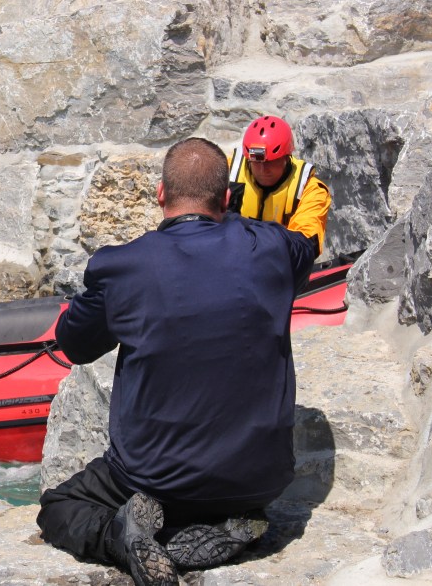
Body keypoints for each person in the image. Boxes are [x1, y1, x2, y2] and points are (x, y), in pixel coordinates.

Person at [36, 138, 317, 585]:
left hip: (156, 481)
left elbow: (76, 346)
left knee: (58, 508)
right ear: (227, 197)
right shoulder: (274, 249)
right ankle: (221, 530)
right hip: (260, 480)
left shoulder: (121, 267)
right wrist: (237, 220)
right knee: (231, 496)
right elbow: (306, 246)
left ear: (160, 195)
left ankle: (121, 536)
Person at [227, 115, 331, 257]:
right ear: (248, 158)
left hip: (279, 266)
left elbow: (305, 247)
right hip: (232, 259)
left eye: (271, 162)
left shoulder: (312, 191)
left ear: (286, 158)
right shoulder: (226, 171)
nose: (264, 170)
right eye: (257, 162)